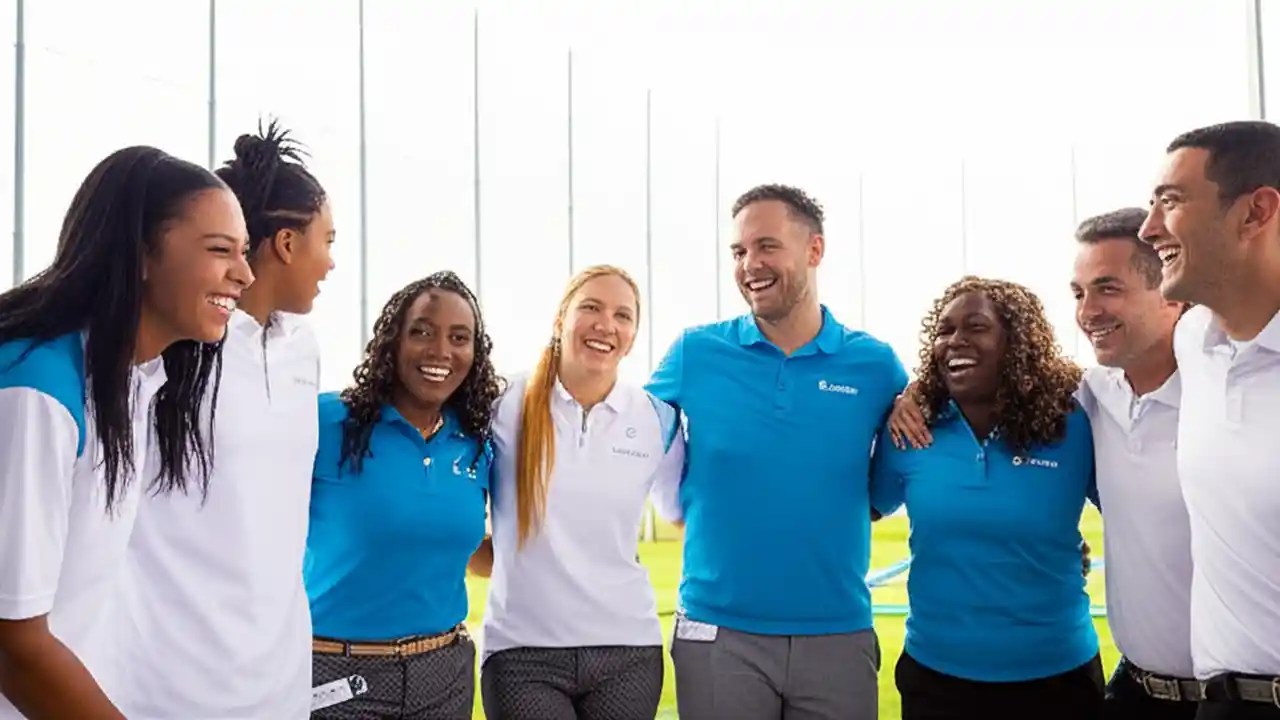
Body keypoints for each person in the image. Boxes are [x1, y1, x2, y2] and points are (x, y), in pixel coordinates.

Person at [890, 208, 1198, 717]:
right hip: (947, 677)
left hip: (1063, 677)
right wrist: (918, 389)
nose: (1089, 310)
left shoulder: (1087, 411)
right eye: (1079, 294)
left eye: (1108, 289)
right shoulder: (1096, 396)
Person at [0, 146, 253, 719]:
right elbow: (14, 643)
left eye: (243, 252)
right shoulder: (35, 391)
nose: (245, 274)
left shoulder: (137, 382)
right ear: (140, 254)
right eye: (221, 251)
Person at [647, 184, 907, 720]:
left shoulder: (875, 365)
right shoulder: (695, 352)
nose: (749, 265)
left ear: (815, 250)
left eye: (766, 246)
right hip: (716, 632)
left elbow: (912, 462)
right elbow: (621, 437)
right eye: (739, 252)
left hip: (837, 633)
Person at [117, 122, 335, 719]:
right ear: (287, 244)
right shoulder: (176, 343)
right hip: (166, 685)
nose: (332, 262)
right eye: (328, 240)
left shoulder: (304, 348)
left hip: (279, 684)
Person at [871, 276, 1102, 719]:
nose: (955, 341)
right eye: (944, 330)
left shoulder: (1076, 422)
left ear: (1016, 343)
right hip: (936, 679)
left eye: (976, 327)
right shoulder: (910, 428)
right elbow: (862, 507)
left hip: (1058, 679)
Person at [474, 264, 684, 720]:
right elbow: (451, 510)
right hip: (521, 653)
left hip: (628, 652)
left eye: (623, 316)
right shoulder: (500, 403)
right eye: (590, 307)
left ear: (632, 335)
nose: (606, 324)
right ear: (560, 320)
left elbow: (686, 515)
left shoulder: (657, 420)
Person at [306, 271, 502, 719]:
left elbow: (471, 553)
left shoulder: (477, 446)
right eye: (422, 332)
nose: (441, 351)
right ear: (393, 341)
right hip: (337, 675)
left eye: (459, 337)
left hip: (444, 673)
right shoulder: (326, 423)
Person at [1139, 120, 1280, 720]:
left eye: (1170, 202)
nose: (1149, 230)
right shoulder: (1194, 339)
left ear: (1255, 213)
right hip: (1221, 706)